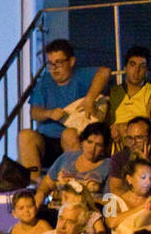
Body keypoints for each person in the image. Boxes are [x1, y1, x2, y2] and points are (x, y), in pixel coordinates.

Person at [20, 39, 112, 173]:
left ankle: (77, 180)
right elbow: (34, 113)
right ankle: (34, 183)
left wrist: (89, 99)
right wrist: (49, 114)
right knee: (25, 135)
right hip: (47, 140)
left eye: (59, 62)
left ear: (71, 61)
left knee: (68, 134)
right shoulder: (45, 81)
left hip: (75, 137)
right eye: (51, 64)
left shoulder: (81, 76)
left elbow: (105, 72)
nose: (54, 68)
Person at [34, 123, 111, 211]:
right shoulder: (67, 157)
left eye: (98, 145)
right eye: (89, 142)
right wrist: (40, 194)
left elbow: (109, 200)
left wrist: (83, 199)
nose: (92, 148)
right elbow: (47, 183)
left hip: (85, 213)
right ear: (82, 142)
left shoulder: (108, 166)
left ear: (103, 148)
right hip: (56, 209)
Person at [109, 47, 151, 142]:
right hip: (115, 142)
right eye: (133, 65)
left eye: (142, 66)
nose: (137, 70)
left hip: (140, 141)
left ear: (147, 71)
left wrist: (124, 127)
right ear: (125, 68)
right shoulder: (114, 92)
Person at [106, 115, 151, 196]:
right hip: (128, 204)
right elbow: (115, 190)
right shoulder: (120, 157)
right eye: (130, 138)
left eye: (139, 138)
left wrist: (149, 166)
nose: (133, 143)